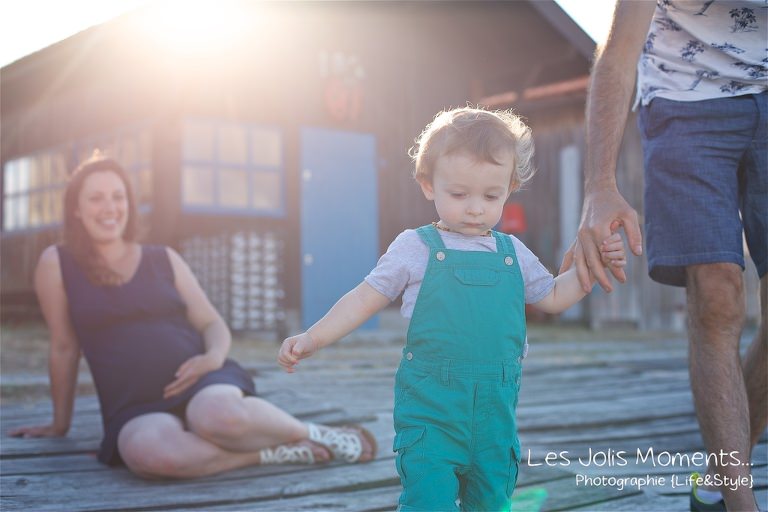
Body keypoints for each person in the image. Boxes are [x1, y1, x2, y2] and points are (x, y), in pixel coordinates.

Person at [278, 107, 627, 511]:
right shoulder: (416, 247)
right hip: (432, 412)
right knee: (428, 500)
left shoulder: (512, 252)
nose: (475, 208)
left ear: (510, 186)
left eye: (491, 195)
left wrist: (594, 262)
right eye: (458, 194)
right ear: (428, 184)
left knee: (492, 500)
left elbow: (552, 295)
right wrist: (313, 337)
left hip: (494, 419)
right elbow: (364, 297)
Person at [8, 155, 375, 479]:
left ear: (129, 204)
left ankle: (317, 435)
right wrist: (59, 424)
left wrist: (211, 358)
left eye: (118, 197)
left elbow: (212, 323)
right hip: (133, 404)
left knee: (218, 417)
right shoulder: (56, 264)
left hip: (203, 381)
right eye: (96, 198)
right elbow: (63, 347)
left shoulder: (163, 258)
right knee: (150, 456)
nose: (110, 207)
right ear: (76, 208)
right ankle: (265, 454)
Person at [565, 2, 766, 511]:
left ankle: (719, 473)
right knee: (717, 291)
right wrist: (599, 185)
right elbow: (617, 53)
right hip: (684, 98)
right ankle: (735, 501)